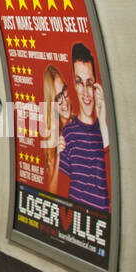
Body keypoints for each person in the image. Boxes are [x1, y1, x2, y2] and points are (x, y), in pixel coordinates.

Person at [56, 43, 110, 210]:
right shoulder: (69, 134)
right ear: (73, 82)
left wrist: (103, 124)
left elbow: (113, 186)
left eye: (89, 83)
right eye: (80, 82)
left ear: (96, 87)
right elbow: (61, 190)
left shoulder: (106, 134)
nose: (86, 94)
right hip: (75, 220)